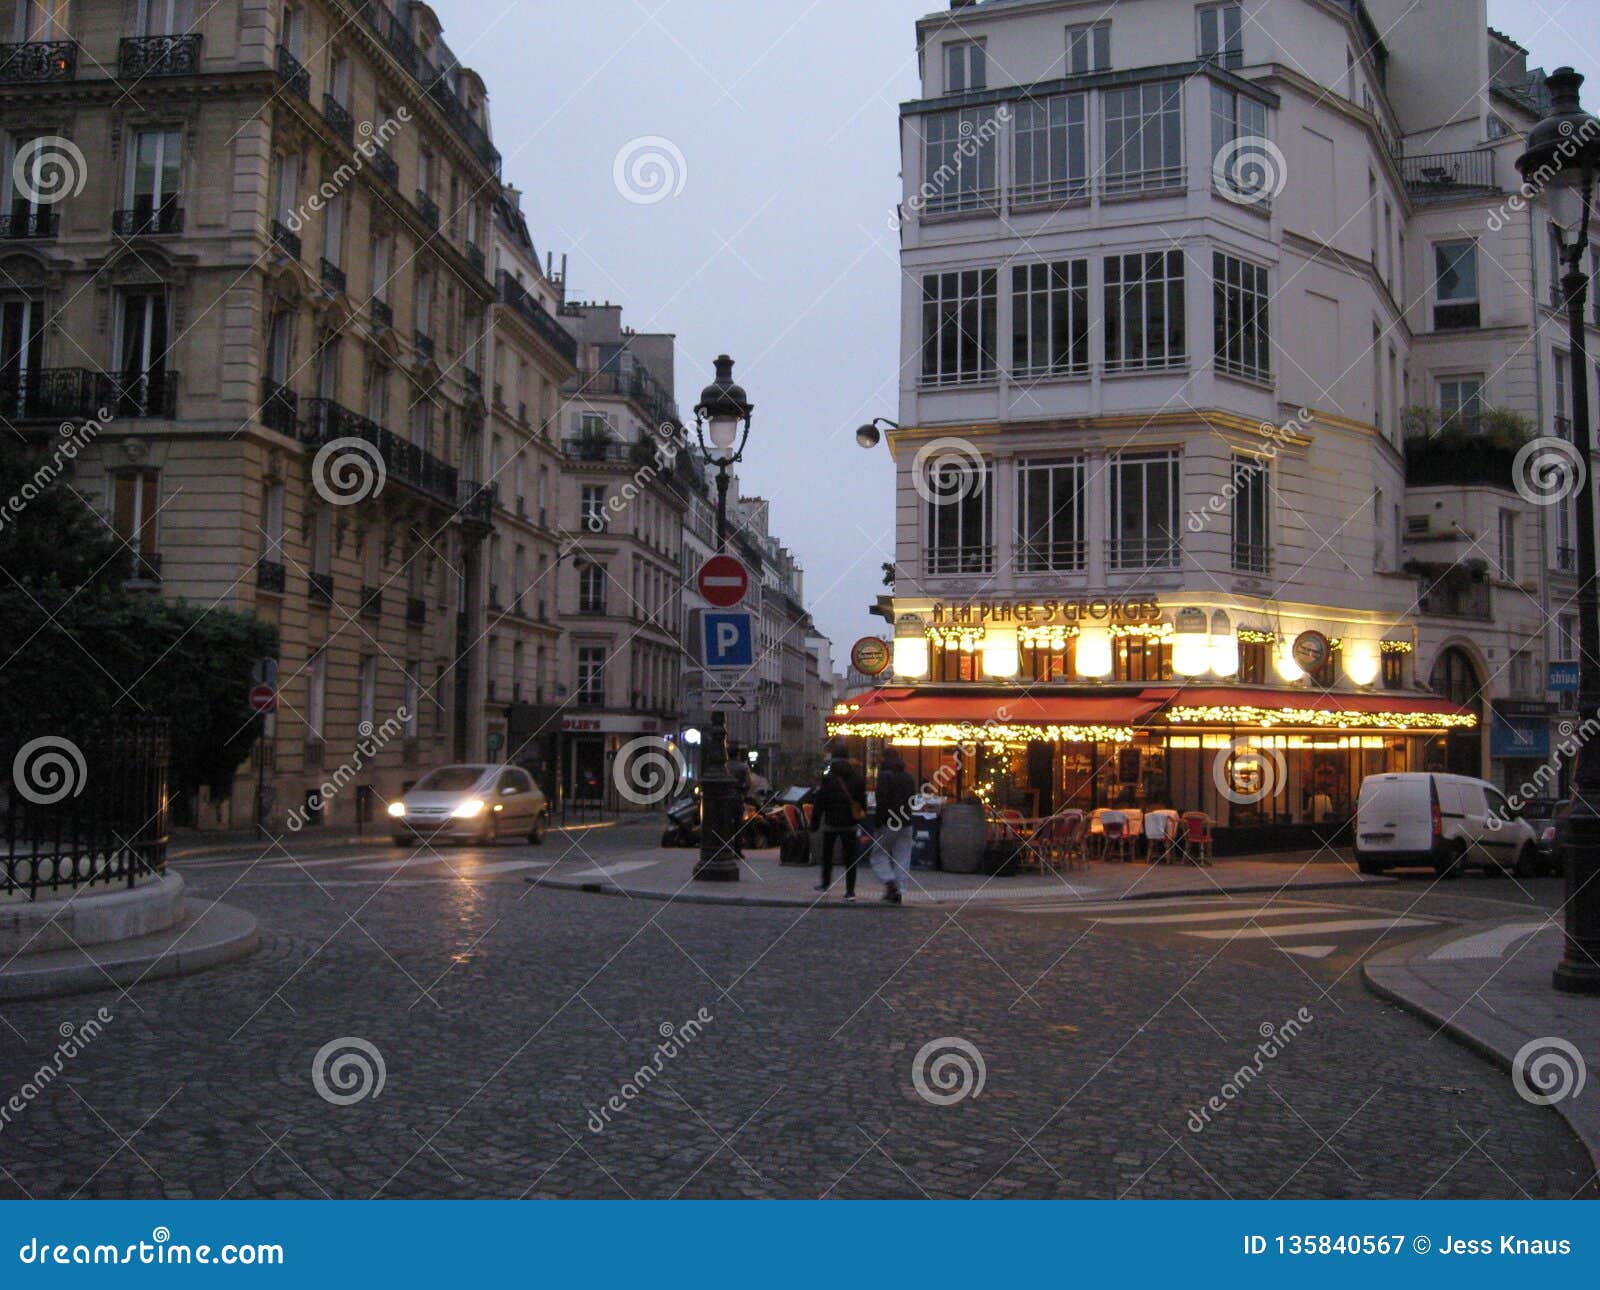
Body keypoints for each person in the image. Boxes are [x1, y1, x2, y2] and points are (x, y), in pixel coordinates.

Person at [811, 747, 867, 900]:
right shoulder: (857, 778)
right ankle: (850, 890)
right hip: (849, 823)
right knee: (850, 858)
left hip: (831, 822)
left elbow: (820, 801)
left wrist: (815, 821)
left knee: (827, 854)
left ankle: (825, 883)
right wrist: (860, 816)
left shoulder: (828, 778)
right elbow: (862, 800)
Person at [872, 750, 916, 905]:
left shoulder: (884, 776)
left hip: (889, 821)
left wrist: (879, 821)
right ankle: (900, 888)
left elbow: (881, 800)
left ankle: (890, 883)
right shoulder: (908, 777)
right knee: (903, 855)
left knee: (878, 854)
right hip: (906, 821)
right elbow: (913, 799)